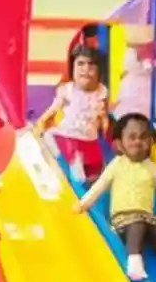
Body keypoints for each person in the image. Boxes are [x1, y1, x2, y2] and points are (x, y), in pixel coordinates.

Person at [74, 113, 156, 282]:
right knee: (136, 225)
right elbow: (100, 185)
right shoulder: (117, 164)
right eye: (132, 137)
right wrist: (83, 204)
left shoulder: (152, 168)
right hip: (123, 219)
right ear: (120, 144)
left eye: (143, 138)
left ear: (150, 143)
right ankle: (134, 260)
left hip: (147, 217)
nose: (138, 141)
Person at [34, 44, 110, 183]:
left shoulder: (100, 92)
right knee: (54, 141)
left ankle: (80, 178)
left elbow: (103, 116)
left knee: (96, 170)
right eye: (80, 64)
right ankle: (69, 167)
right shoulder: (68, 90)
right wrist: (41, 122)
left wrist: (106, 129)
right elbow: (54, 108)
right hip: (68, 134)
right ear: (72, 68)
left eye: (91, 65)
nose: (86, 69)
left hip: (88, 137)